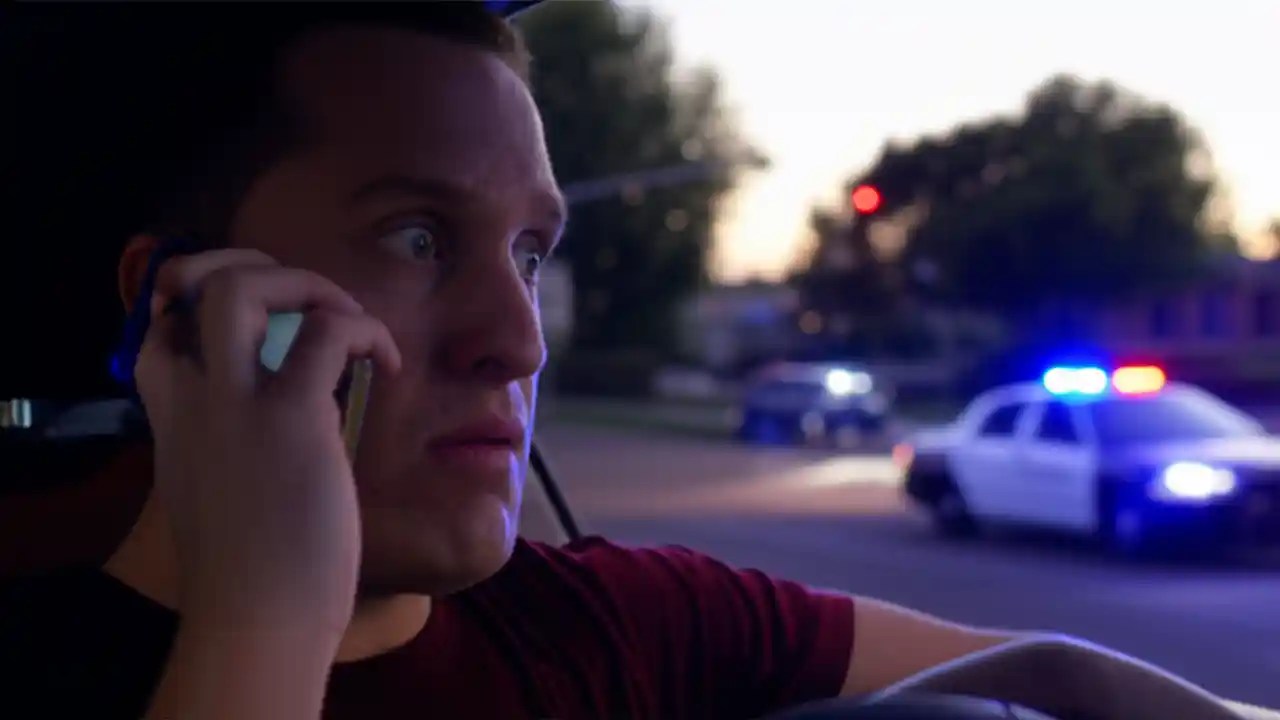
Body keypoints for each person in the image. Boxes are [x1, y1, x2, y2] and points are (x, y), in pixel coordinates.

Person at [0, 4, 1250, 720]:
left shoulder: (616, 620)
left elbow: (1047, 677)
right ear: (173, 309)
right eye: (418, 234)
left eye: (529, 252)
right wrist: (265, 620)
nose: (519, 339)